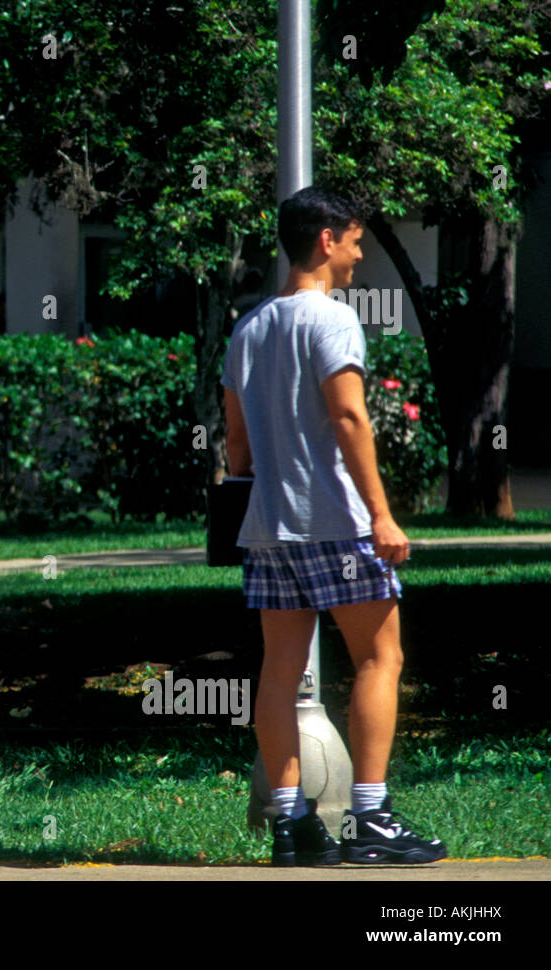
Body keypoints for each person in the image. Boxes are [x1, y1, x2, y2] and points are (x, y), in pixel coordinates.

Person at [222, 185, 446, 866]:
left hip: (268, 527)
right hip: (338, 525)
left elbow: (237, 445)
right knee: (381, 658)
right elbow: (349, 417)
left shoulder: (248, 326)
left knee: (278, 674)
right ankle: (370, 818)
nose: (357, 254)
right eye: (353, 240)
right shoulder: (333, 319)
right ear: (325, 239)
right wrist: (381, 515)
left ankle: (291, 826)